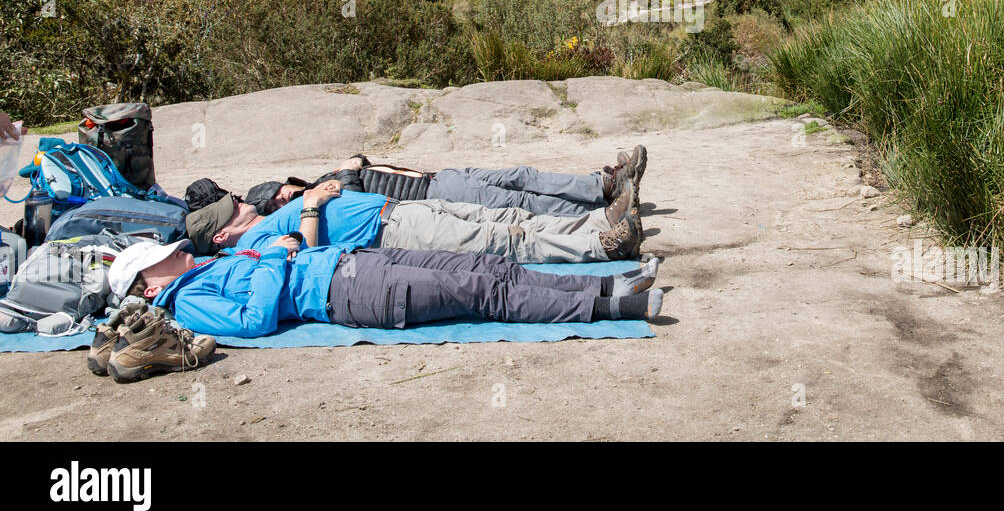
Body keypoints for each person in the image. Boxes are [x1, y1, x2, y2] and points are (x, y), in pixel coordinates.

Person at [106, 236, 664, 340]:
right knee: (481, 293)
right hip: (349, 295)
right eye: (161, 261)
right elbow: (254, 321)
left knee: (491, 266)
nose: (176, 253)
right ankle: (613, 307)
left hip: (356, 261)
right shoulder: (191, 302)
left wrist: (280, 248)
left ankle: (612, 281)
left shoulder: (200, 268)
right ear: (146, 288)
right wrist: (274, 260)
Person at [182, 165, 644, 263]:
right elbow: (309, 259)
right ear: (221, 236)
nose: (240, 204)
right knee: (503, 240)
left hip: (402, 206)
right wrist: (308, 204)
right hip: (390, 230)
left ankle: (599, 223)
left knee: (502, 222)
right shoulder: (250, 246)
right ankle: (600, 247)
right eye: (233, 211)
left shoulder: (255, 225)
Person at [263, 146, 648, 221]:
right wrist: (348, 171)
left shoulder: (317, 182)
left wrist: (353, 162)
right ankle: (602, 212)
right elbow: (356, 197)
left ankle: (604, 185)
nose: (282, 193)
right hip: (432, 195)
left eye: (280, 188)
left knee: (522, 175)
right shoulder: (310, 209)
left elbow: (362, 158)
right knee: (522, 203)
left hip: (440, 175)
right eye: (277, 197)